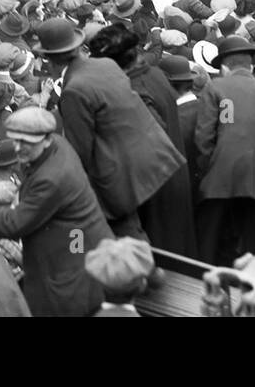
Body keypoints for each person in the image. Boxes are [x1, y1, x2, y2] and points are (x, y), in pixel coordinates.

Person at [34, 18, 187, 242]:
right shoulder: (106, 65)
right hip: (157, 158)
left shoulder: (74, 90)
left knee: (127, 235)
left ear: (48, 58)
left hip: (124, 177)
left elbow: (81, 152)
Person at [0, 106, 114, 317]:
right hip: (76, 240)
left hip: (72, 261)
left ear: (46, 139)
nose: (18, 148)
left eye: (26, 143)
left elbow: (13, 224)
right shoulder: (58, 144)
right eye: (15, 140)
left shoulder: (52, 178)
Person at [194, 35, 255, 266]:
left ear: (223, 68)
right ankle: (246, 282)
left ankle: (203, 279)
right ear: (251, 67)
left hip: (221, 169)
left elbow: (204, 136)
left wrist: (207, 169)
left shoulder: (214, 87)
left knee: (210, 233)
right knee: (251, 235)